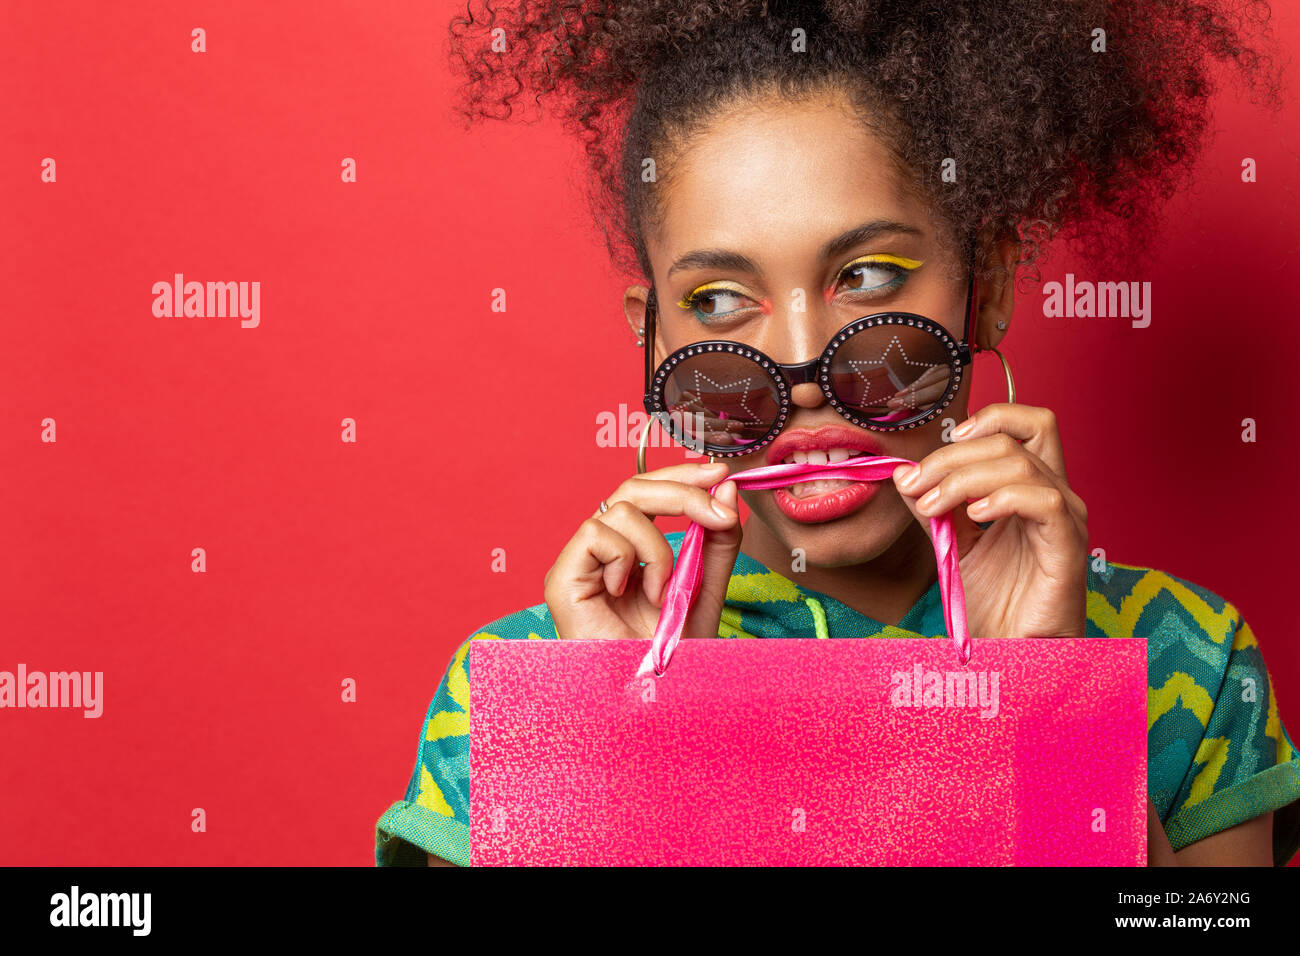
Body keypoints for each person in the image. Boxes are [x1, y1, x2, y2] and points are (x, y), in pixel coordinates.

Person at [375, 0, 1300, 866]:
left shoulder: (1190, 660)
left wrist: (1043, 698)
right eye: (722, 300)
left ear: (995, 285)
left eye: (868, 277)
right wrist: (625, 740)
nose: (805, 368)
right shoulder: (523, 687)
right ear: (651, 332)